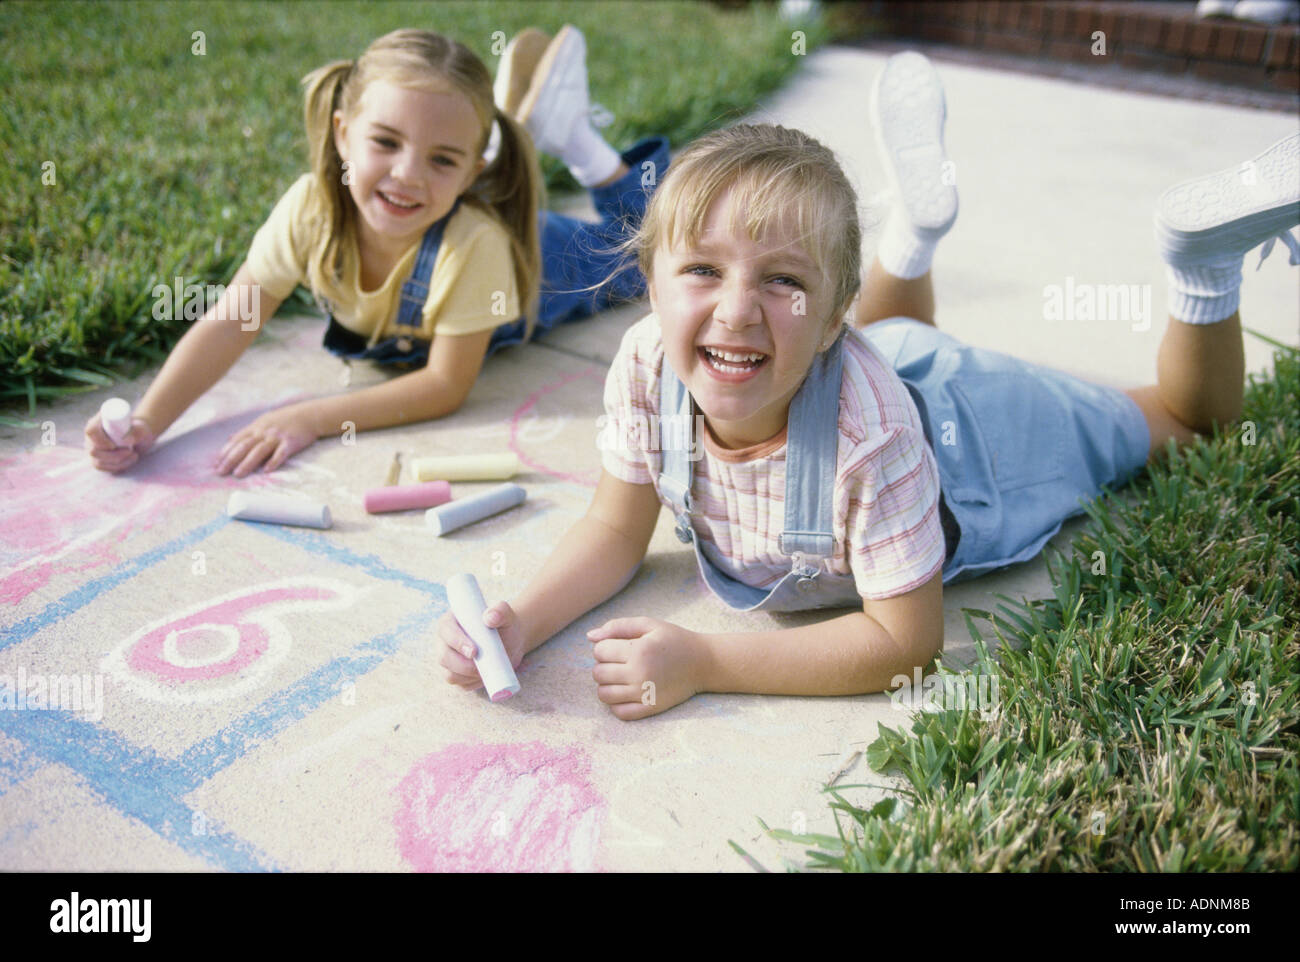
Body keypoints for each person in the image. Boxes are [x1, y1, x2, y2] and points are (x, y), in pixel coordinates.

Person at [439, 51, 1299, 720]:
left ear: (832, 315)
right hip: (866, 358)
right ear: (649, 282)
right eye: (702, 268)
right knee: (859, 343)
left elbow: (904, 639)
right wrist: (523, 619)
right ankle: (911, 239)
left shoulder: (870, 436)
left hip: (976, 439)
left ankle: (1203, 267)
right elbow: (615, 531)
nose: (736, 312)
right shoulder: (646, 363)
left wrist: (706, 661)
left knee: (1181, 422)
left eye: (781, 279)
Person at [85, 25, 669, 478]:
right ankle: (524, 125)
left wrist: (310, 419)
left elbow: (445, 386)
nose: (407, 175)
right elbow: (231, 320)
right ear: (343, 133)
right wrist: (146, 420)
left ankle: (580, 143)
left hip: (541, 259)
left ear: (472, 171)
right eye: (385, 142)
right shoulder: (313, 209)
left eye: (442, 158)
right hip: (465, 214)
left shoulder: (477, 247)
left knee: (651, 253)